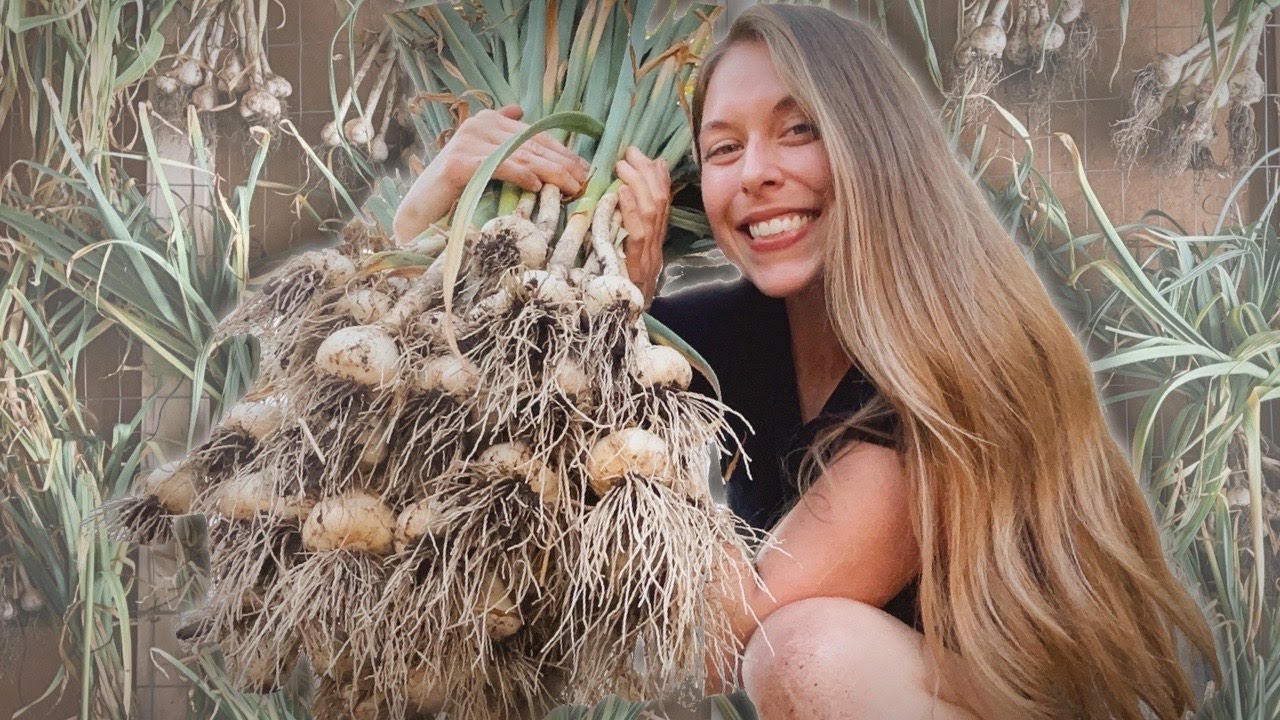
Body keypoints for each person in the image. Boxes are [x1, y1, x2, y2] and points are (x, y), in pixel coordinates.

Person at [393, 5, 1221, 718]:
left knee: (805, 653)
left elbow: (718, 637)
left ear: (876, 146)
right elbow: (472, 392)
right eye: (722, 150)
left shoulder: (958, 359)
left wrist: (620, 341)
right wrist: (439, 203)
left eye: (799, 131)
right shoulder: (745, 328)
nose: (756, 174)